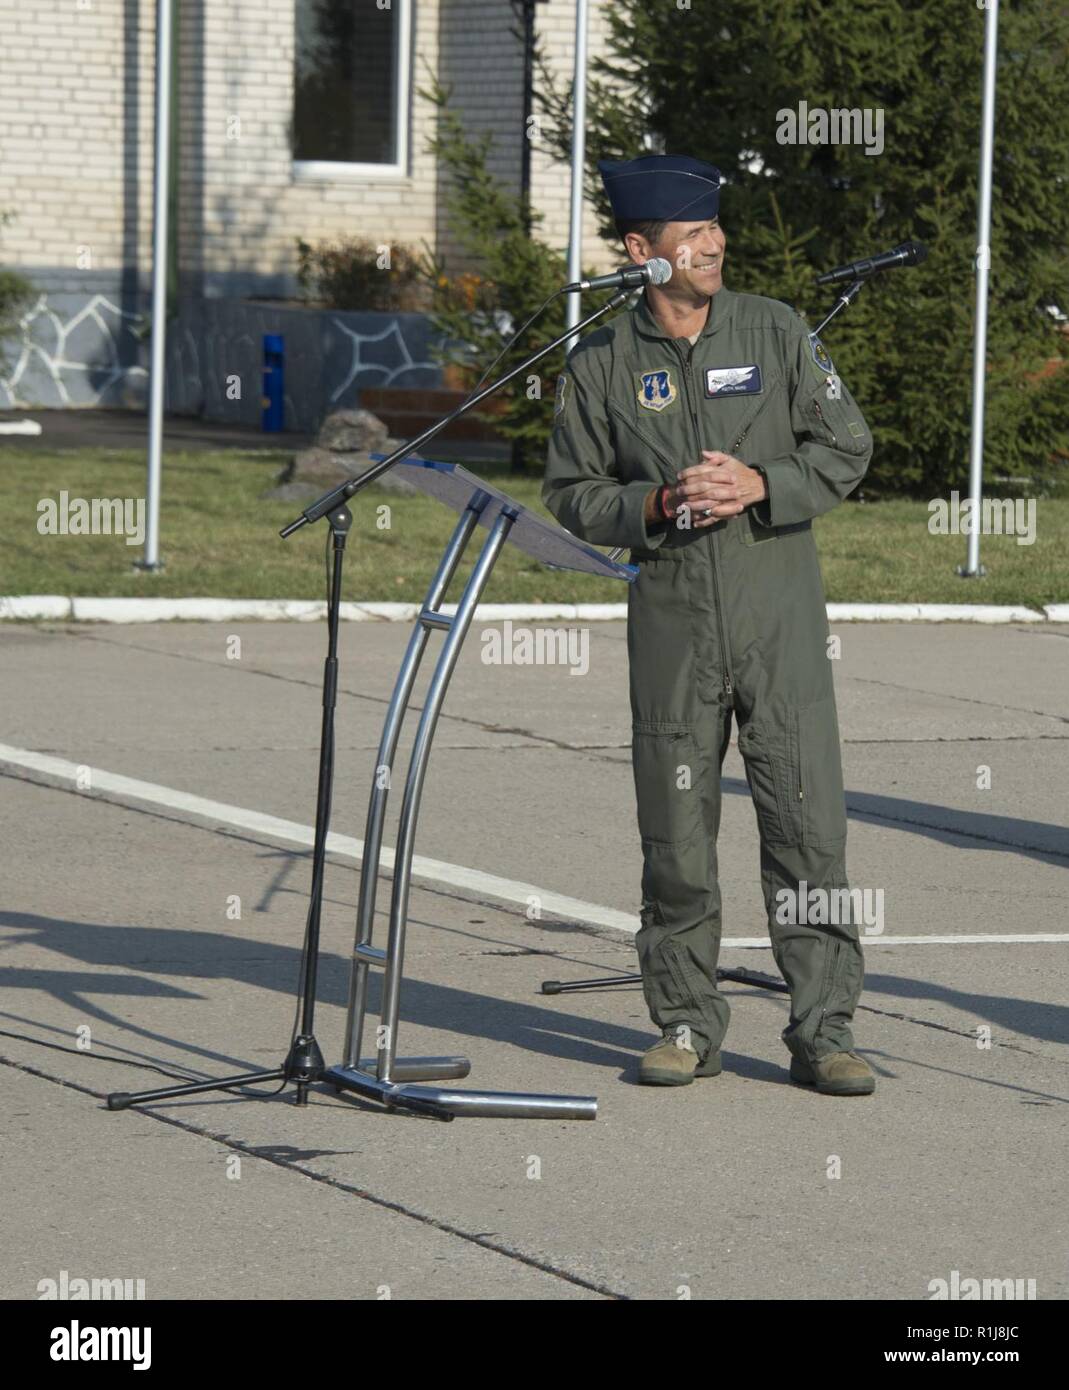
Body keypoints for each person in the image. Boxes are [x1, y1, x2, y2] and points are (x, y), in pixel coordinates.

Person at [542, 154, 876, 1096]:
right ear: (638, 252)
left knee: (807, 833)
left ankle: (825, 1031)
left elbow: (846, 447)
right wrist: (651, 507)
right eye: (690, 234)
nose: (712, 244)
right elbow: (570, 493)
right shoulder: (600, 361)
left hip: (777, 627)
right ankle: (685, 1024)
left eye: (714, 228)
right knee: (676, 840)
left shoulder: (773, 331)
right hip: (675, 631)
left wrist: (764, 483)